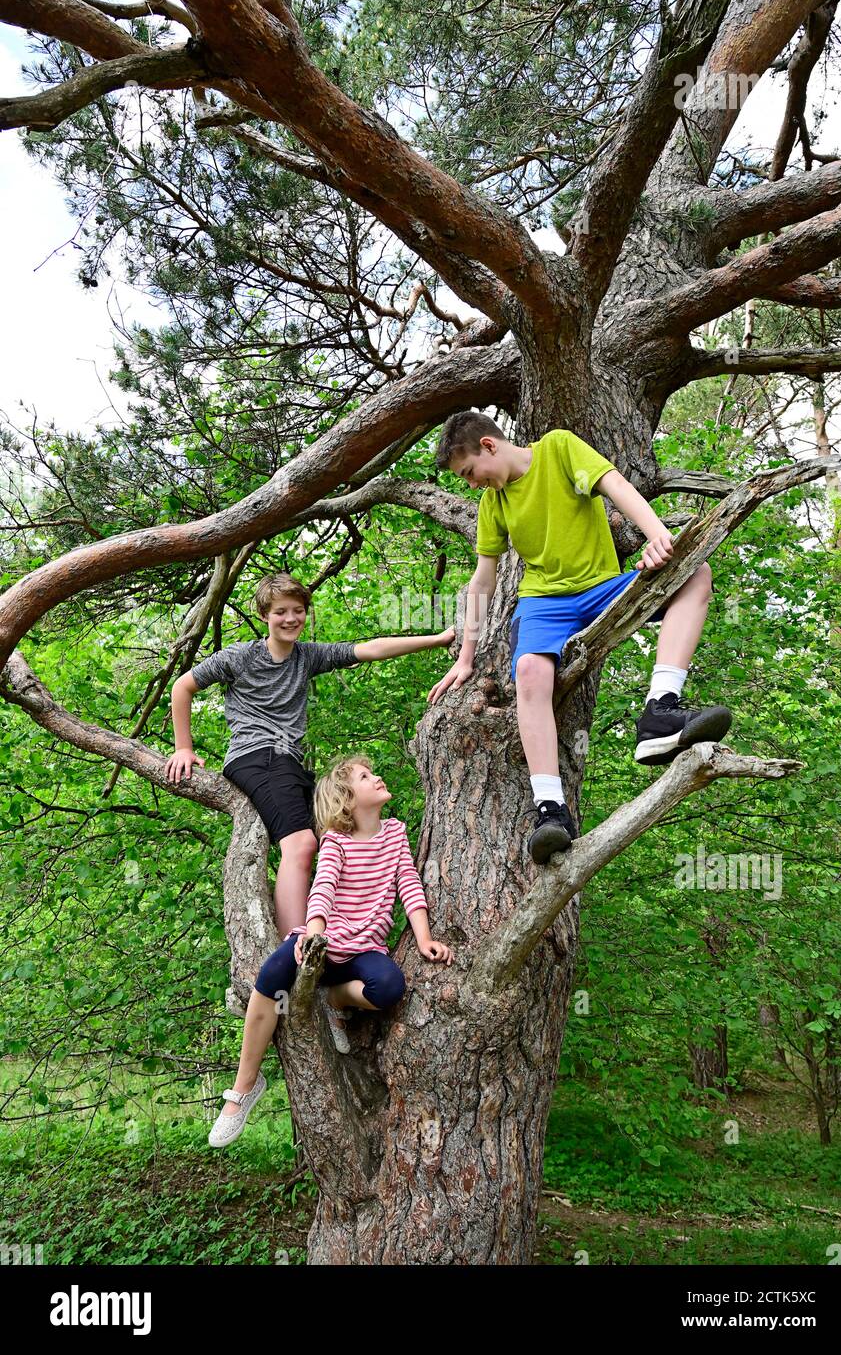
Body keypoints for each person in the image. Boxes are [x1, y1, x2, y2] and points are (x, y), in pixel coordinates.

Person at [428, 413, 731, 865]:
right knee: (530, 670)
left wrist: (657, 536)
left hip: (601, 588)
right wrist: (465, 657)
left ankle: (661, 711)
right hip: (544, 603)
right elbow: (482, 582)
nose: (471, 484)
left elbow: (618, 487)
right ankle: (551, 811)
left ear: (488, 446)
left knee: (696, 574)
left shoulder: (559, 447)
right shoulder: (494, 503)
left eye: (469, 472)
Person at [165, 572, 454, 937]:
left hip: (289, 764)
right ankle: (295, 947)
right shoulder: (240, 657)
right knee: (301, 844)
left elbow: (371, 649)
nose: (290, 619)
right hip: (257, 755)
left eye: (298, 611)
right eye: (280, 612)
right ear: (264, 616)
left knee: (336, 838)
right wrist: (183, 748)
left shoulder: (307, 656)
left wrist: (438, 639)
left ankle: (344, 937)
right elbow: (182, 686)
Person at [207, 753, 454, 1148]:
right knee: (271, 975)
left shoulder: (394, 834)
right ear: (346, 800)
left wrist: (424, 938)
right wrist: (314, 935)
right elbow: (322, 887)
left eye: (373, 772)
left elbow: (409, 884)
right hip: (324, 939)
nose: (376, 778)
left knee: (390, 987)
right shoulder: (336, 842)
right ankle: (243, 1089)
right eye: (365, 776)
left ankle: (335, 1000)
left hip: (363, 950)